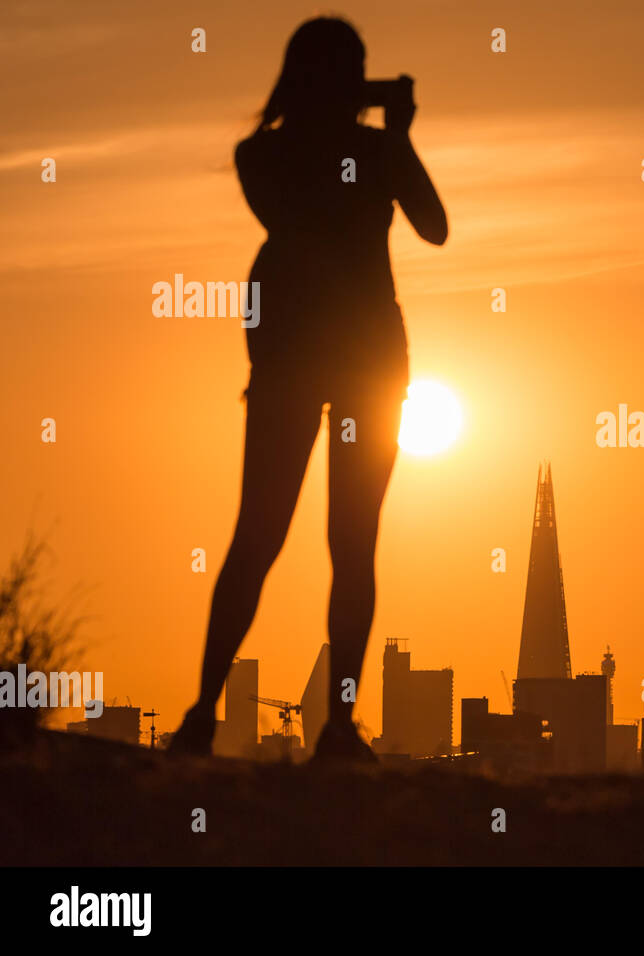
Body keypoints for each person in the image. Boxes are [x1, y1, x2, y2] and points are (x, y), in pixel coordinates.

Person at [170, 17, 447, 760]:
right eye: (343, 70)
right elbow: (306, 222)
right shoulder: (267, 154)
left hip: (351, 367)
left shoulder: (343, 150)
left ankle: (327, 724)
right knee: (266, 538)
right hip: (309, 363)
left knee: (339, 544)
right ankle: (207, 712)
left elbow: (436, 226)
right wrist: (389, 142)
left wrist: (398, 140)